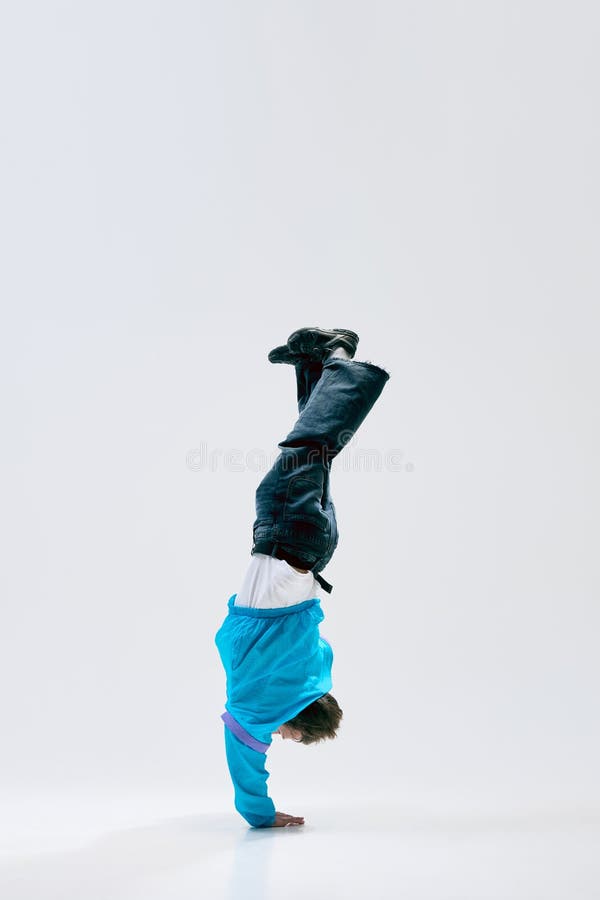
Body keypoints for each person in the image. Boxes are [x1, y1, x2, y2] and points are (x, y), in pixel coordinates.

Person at [214, 326, 390, 828]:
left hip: (312, 550)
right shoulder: (257, 703)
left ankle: (310, 362)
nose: (281, 739)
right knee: (309, 446)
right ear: (294, 716)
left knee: (311, 453)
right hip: (287, 540)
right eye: (291, 735)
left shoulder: (312, 670)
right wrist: (259, 815)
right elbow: (245, 758)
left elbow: (310, 663)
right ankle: (342, 360)